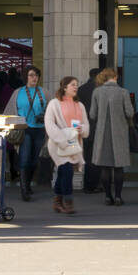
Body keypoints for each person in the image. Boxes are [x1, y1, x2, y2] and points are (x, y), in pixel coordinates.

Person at [90, 68, 134, 205]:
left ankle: (108, 196)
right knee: (119, 167)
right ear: (115, 77)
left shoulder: (96, 92)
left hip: (102, 133)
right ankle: (119, 196)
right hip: (119, 132)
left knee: (105, 167)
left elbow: (92, 115)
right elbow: (130, 113)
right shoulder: (123, 92)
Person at [45, 77, 88, 214]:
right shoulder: (54, 103)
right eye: (73, 85)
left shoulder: (80, 105)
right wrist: (61, 140)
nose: (76, 87)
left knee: (64, 171)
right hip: (58, 144)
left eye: (77, 85)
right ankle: (68, 201)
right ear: (64, 87)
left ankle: (58, 201)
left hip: (74, 144)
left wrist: (83, 129)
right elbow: (49, 123)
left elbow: (86, 124)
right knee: (67, 170)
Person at [5, 67, 47, 202]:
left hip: (40, 129)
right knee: (24, 158)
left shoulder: (44, 92)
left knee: (34, 159)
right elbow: (9, 111)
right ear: (26, 77)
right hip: (24, 129)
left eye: (36, 75)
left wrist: (45, 116)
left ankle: (28, 184)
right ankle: (24, 190)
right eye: (31, 75)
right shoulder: (18, 92)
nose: (34, 78)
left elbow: (51, 110)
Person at [82, 67, 103, 193]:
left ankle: (87, 184)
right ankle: (94, 184)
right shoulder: (100, 91)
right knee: (97, 158)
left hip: (84, 128)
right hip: (97, 128)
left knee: (87, 157)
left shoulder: (81, 89)